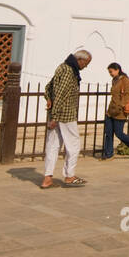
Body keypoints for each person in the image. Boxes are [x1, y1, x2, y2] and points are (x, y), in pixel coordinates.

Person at [42, 49, 91, 188]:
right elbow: (61, 94)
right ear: (80, 60)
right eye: (86, 63)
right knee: (73, 145)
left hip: (56, 114)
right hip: (66, 115)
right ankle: (70, 176)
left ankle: (47, 178)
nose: (85, 66)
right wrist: (55, 117)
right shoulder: (69, 71)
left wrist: (49, 99)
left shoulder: (61, 67)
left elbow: (49, 88)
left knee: (52, 146)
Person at [100, 62, 129, 160]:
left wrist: (120, 106)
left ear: (117, 70)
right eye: (109, 72)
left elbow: (127, 95)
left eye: (111, 71)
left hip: (120, 111)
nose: (110, 74)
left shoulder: (125, 80)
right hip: (110, 111)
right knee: (108, 133)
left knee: (119, 133)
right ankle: (108, 154)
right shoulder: (114, 80)